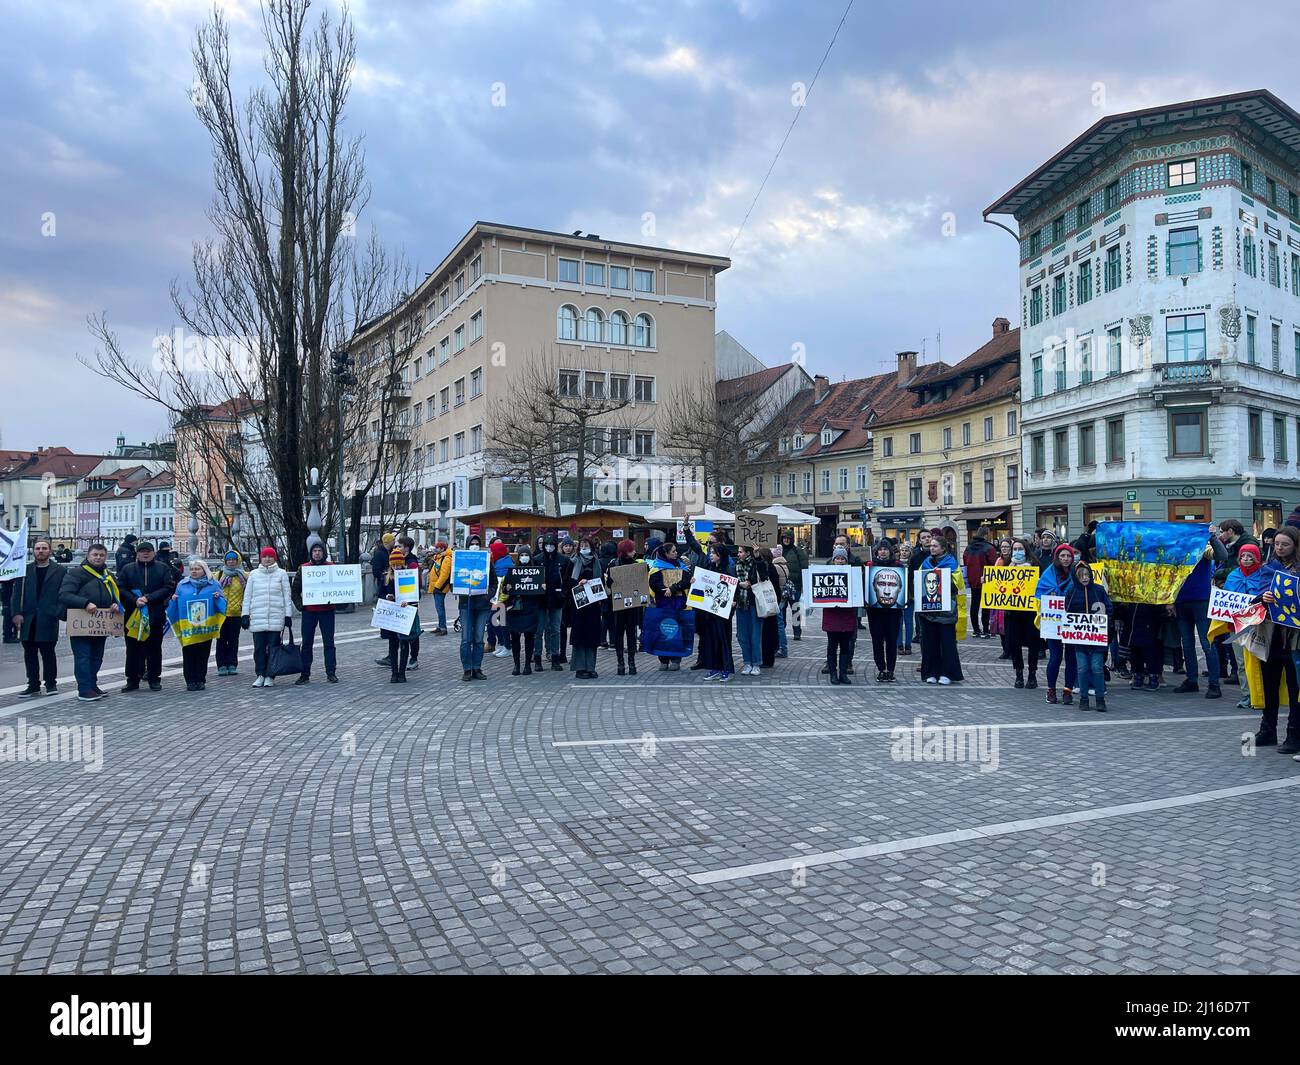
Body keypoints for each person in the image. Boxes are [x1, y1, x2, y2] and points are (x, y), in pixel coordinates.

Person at [59, 544, 124, 701]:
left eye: (101, 555)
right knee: (83, 656)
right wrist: (85, 603)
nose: (98, 558)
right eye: (95, 555)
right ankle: (84, 689)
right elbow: (64, 594)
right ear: (88, 556)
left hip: (101, 623)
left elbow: (116, 594)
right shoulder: (76, 573)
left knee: (96, 656)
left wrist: (115, 604)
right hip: (81, 621)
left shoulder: (108, 575)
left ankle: (92, 685)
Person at [1170, 535, 1228, 700]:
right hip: (1181, 601)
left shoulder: (1202, 548)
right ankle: (1192, 680)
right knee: (1187, 644)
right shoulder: (1176, 551)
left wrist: (1213, 538)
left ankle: (1214, 684)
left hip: (1202, 600)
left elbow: (1222, 556)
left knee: (1207, 643)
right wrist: (1170, 601)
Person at [1258, 527, 1300, 751]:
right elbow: (1259, 593)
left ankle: (1294, 734)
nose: (1280, 548)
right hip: (1271, 634)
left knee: (1295, 687)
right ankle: (1268, 729)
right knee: (1269, 684)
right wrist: (1263, 597)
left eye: (1285, 544)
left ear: (1295, 545)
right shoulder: (1269, 567)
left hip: (1295, 637)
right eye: (1276, 544)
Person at [117, 540, 177, 693]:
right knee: (132, 649)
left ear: (153, 553)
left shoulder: (162, 568)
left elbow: (168, 587)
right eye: (142, 551)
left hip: (155, 614)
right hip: (133, 615)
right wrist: (134, 600)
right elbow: (120, 588)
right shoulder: (128, 569)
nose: (145, 553)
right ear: (137, 554)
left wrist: (149, 598)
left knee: (154, 649)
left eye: (148, 551)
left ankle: (154, 678)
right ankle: (132, 679)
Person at [12, 537, 66, 696]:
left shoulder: (60, 571)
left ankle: (51, 684)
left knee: (48, 652)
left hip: (48, 616)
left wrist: (58, 612)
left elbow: (64, 593)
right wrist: (16, 613)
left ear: (50, 551)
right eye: (37, 548)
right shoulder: (24, 570)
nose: (40, 551)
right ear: (33, 551)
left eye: (44, 548)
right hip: (28, 617)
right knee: (29, 653)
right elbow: (16, 594)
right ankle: (33, 684)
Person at [167, 557, 226, 691]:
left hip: (206, 626)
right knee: (188, 653)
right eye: (192, 569)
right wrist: (173, 599)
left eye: (197, 569)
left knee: (203, 653)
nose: (194, 571)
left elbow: (222, 602)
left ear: (204, 570)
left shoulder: (214, 584)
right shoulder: (182, 584)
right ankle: (190, 680)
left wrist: (218, 598)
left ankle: (200, 679)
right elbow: (175, 601)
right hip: (188, 626)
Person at [242, 546, 294, 688]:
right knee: (258, 648)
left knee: (273, 648)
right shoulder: (253, 574)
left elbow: (286, 596)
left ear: (274, 558)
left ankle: (270, 675)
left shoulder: (281, 574)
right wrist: (245, 614)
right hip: (257, 617)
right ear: (261, 558)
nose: (267, 559)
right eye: (264, 556)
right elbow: (247, 596)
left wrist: (288, 615)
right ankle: (260, 674)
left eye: (270, 556)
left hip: (276, 617)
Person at [1224, 544, 1267, 711]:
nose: (1247, 560)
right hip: (1236, 626)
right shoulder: (1233, 576)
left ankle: (1261, 695)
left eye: (1250, 556)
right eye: (1243, 557)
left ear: (1257, 558)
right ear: (1239, 558)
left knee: (1259, 660)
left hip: (1258, 625)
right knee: (1241, 662)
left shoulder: (1263, 575)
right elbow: (1226, 600)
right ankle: (1247, 695)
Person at [1065, 560, 1113, 711]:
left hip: (1097, 639)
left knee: (1097, 667)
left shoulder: (1098, 590)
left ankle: (1100, 699)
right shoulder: (1072, 592)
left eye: (1087, 574)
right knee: (1082, 668)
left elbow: (1109, 608)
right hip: (1080, 639)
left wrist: (1104, 621)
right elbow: (1067, 613)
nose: (1085, 578)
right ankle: (1084, 699)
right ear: (1076, 577)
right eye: (1081, 576)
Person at [1036, 543, 1078, 704]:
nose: (1066, 559)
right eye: (1063, 556)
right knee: (1055, 657)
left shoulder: (1076, 573)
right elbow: (1039, 593)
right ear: (1057, 557)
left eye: (1068, 556)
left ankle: (1068, 691)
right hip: (1053, 623)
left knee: (1071, 658)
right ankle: (1051, 690)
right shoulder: (1049, 573)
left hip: (1072, 622)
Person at [292, 542, 339, 684]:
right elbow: (295, 590)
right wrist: (301, 606)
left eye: (319, 550)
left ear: (324, 552)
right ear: (311, 553)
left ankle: (331, 672)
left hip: (327, 611)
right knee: (306, 643)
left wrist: (339, 601)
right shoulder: (304, 569)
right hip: (309, 612)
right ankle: (304, 673)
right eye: (314, 551)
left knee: (329, 643)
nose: (317, 553)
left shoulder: (332, 567)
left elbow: (340, 586)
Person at [918, 536, 962, 684]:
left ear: (943, 548)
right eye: (931, 546)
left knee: (947, 643)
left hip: (946, 611)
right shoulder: (925, 563)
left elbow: (959, 584)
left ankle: (947, 673)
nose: (932, 548)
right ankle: (931, 672)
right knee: (930, 642)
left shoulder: (951, 563)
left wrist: (944, 577)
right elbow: (918, 581)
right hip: (928, 610)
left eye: (935, 546)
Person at [644, 541, 692, 671]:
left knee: (677, 630)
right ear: (666, 553)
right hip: (663, 604)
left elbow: (686, 581)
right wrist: (665, 590)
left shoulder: (681, 566)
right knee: (663, 631)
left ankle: (676, 659)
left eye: (676, 551)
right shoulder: (656, 567)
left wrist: (673, 588)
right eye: (673, 551)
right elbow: (654, 584)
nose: (676, 553)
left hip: (679, 604)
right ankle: (663, 659)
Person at [1002, 538, 1041, 689]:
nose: (1017, 552)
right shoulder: (1006, 566)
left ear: (1026, 550)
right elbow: (998, 585)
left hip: (1030, 612)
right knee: (1014, 644)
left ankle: (1032, 674)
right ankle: (1019, 674)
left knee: (1033, 644)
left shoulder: (1035, 565)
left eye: (1020, 549)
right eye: (1015, 549)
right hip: (1013, 612)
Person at [693, 540, 734, 681]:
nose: (711, 555)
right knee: (712, 640)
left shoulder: (728, 569)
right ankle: (714, 668)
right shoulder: (710, 568)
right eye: (710, 553)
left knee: (723, 639)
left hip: (722, 613)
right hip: (709, 612)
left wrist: (733, 601)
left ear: (720, 555)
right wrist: (695, 581)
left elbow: (734, 589)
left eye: (713, 553)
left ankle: (726, 669)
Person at [379, 545, 420, 683]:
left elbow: (415, 595)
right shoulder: (386, 577)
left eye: (398, 565)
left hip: (403, 613)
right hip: (391, 615)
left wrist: (406, 602)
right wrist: (387, 597)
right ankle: (394, 673)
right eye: (394, 565)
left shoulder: (408, 575)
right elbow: (380, 594)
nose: (396, 568)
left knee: (404, 644)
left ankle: (401, 673)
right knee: (393, 645)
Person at [863, 539, 902, 682]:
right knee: (877, 640)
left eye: (885, 549)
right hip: (875, 612)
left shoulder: (898, 566)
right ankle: (881, 668)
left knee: (892, 641)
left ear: (890, 551)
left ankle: (890, 669)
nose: (883, 551)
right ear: (876, 551)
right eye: (880, 549)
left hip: (893, 612)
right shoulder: (870, 566)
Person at [568, 537, 604, 678]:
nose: (584, 547)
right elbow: (567, 582)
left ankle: (590, 667)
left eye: (586, 545)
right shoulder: (573, 561)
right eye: (582, 545)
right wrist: (579, 583)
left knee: (592, 637)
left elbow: (600, 580)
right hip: (579, 605)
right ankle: (580, 668)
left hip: (593, 606)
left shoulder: (597, 561)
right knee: (580, 637)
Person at [457, 540, 492, 682]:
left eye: (477, 543)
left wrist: (488, 594)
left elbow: (494, 582)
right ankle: (467, 668)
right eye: (472, 543)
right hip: (466, 604)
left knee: (478, 638)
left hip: (482, 605)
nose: (475, 545)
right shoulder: (460, 562)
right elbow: (454, 581)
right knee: (466, 639)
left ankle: (476, 667)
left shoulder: (487, 562)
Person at [732, 543, 769, 676]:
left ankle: (756, 663)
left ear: (748, 553)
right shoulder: (735, 566)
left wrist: (758, 555)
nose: (738, 554)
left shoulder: (754, 564)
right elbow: (730, 582)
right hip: (741, 605)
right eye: (738, 552)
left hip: (754, 604)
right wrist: (739, 584)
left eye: (741, 552)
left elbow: (764, 574)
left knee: (755, 635)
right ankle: (747, 662)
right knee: (742, 636)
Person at [606, 538, 641, 676]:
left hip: (629, 604)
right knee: (620, 633)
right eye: (632, 549)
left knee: (629, 633)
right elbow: (608, 585)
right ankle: (621, 662)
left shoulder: (635, 564)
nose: (634, 551)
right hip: (618, 604)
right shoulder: (614, 564)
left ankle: (630, 662)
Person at [823, 547, 857, 684]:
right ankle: (833, 673)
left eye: (843, 558)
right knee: (832, 645)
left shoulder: (852, 574)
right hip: (832, 614)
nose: (840, 561)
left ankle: (843, 673)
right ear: (833, 560)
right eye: (838, 558)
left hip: (847, 614)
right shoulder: (826, 573)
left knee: (845, 646)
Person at [534, 534, 566, 671]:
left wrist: (563, 594)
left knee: (555, 630)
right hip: (541, 600)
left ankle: (555, 657)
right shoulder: (537, 559)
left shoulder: (563, 560)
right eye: (547, 544)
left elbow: (567, 580)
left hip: (557, 599)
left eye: (551, 544)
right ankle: (537, 658)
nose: (549, 547)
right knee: (538, 630)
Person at [962, 526, 999, 638]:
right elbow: (994, 564)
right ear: (986, 535)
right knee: (986, 605)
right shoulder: (989, 548)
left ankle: (976, 630)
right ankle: (986, 630)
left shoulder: (968, 548)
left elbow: (965, 561)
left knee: (974, 604)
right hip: (986, 579)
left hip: (972, 580)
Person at [215, 551, 247, 676]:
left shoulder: (243, 576)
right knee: (221, 640)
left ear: (238, 561)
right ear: (225, 561)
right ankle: (221, 665)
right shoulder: (219, 575)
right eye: (229, 560)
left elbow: (248, 592)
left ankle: (232, 664)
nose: (231, 562)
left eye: (234, 559)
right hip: (221, 614)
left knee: (233, 640)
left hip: (236, 613)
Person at [779, 532, 807, 641]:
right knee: (782, 609)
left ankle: (797, 631)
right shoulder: (779, 551)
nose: (786, 540)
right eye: (784, 538)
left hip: (796, 585)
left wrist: (803, 583)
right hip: (782, 585)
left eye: (788, 538)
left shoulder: (798, 551)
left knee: (796, 609)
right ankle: (782, 630)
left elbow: (805, 567)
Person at [486, 540, 512, 658]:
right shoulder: (499, 563)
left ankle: (507, 646)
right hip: (498, 598)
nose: (490, 553)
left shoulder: (503, 565)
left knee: (499, 622)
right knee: (495, 622)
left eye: (492, 551)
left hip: (502, 599)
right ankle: (502, 644)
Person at [990, 538, 1014, 660]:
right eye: (1003, 547)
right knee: (1000, 625)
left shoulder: (1015, 561)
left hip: (1012, 597)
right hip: (1000, 597)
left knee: (1010, 626)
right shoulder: (998, 560)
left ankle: (1010, 649)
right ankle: (1005, 649)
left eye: (1007, 547)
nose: (1004, 549)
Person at [426, 540, 452, 635]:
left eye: (437, 547)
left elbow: (444, 575)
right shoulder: (438, 558)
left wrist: (437, 586)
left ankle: (443, 628)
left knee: (440, 608)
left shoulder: (446, 559)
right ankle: (440, 625)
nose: (435, 549)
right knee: (438, 608)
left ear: (442, 549)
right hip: (437, 586)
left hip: (440, 587)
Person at [770, 544, 791, 658]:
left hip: (777, 597)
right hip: (783, 597)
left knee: (779, 623)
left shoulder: (776, 566)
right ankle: (781, 647)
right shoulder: (783, 564)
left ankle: (782, 648)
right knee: (780, 622)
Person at [896, 538, 916, 656]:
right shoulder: (896, 564)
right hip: (898, 596)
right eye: (902, 550)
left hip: (909, 596)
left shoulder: (912, 564)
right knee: (899, 622)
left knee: (909, 622)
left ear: (910, 552)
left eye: (906, 550)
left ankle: (908, 644)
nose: (904, 552)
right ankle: (899, 644)